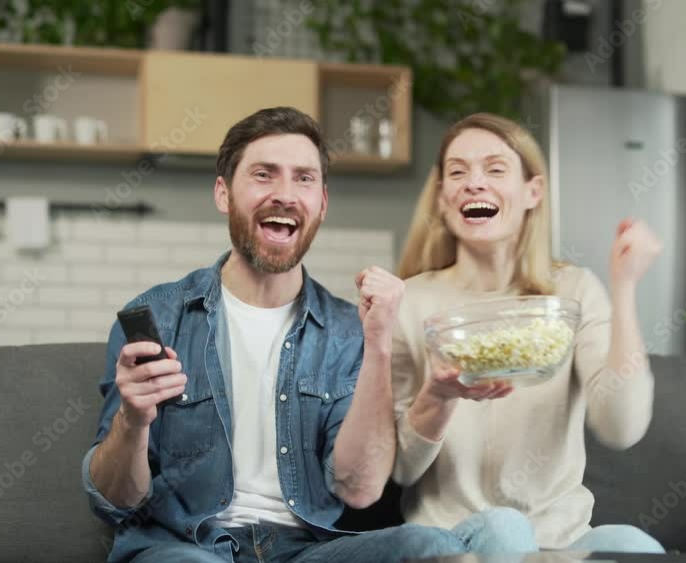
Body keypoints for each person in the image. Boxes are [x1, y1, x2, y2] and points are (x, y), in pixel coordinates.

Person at [83, 107, 534, 563]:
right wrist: (132, 421)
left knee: (430, 547)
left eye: (303, 178)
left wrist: (377, 344)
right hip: (186, 547)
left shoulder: (346, 332)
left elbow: (358, 489)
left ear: (322, 201)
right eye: (264, 175)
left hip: (308, 552)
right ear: (224, 193)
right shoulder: (157, 316)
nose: (284, 194)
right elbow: (116, 499)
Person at [391, 113, 667, 553]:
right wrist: (438, 398)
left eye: (495, 169)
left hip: (562, 539)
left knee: (637, 547)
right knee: (505, 529)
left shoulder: (573, 292)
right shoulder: (408, 302)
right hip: (450, 538)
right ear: (443, 197)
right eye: (457, 172)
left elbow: (622, 427)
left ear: (532, 192)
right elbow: (402, 469)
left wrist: (626, 285)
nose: (473, 183)